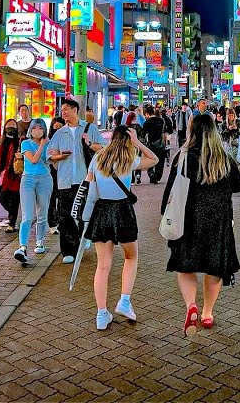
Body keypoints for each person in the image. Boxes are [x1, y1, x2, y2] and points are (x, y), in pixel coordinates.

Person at [166, 113, 240, 335]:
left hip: (187, 219)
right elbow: (239, 186)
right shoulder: (224, 158)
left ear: (192, 131)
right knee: (215, 268)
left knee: (185, 265)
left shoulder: (182, 157)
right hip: (218, 221)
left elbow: (170, 190)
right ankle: (207, 313)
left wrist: (166, 214)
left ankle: (191, 305)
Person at [85, 125, 159, 330]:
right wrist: (137, 143)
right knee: (131, 257)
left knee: (103, 266)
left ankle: (101, 314)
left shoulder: (97, 158)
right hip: (123, 211)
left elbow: (88, 188)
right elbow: (154, 159)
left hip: (101, 212)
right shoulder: (129, 160)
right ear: (128, 140)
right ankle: (124, 301)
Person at [48, 98, 104, 264]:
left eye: (66, 109)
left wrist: (89, 143)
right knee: (64, 215)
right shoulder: (60, 132)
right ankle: (67, 250)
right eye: (62, 110)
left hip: (84, 179)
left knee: (82, 213)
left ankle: (83, 237)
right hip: (64, 180)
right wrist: (59, 156)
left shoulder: (89, 128)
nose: (63, 112)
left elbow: (103, 148)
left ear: (74, 110)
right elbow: (50, 154)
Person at [13, 118, 53, 263]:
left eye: (41, 128)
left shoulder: (49, 143)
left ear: (44, 130)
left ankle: (40, 241)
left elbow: (52, 159)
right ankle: (22, 247)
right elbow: (33, 160)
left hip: (45, 180)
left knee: (42, 213)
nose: (38, 131)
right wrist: (42, 146)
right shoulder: (26, 143)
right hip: (28, 180)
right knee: (28, 216)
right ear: (31, 129)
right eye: (35, 128)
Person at [140, 106, 168, 184]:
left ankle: (152, 174)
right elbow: (165, 131)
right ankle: (158, 176)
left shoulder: (147, 122)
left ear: (147, 114)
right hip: (160, 143)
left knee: (151, 160)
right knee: (160, 161)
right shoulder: (161, 120)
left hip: (150, 144)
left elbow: (143, 133)